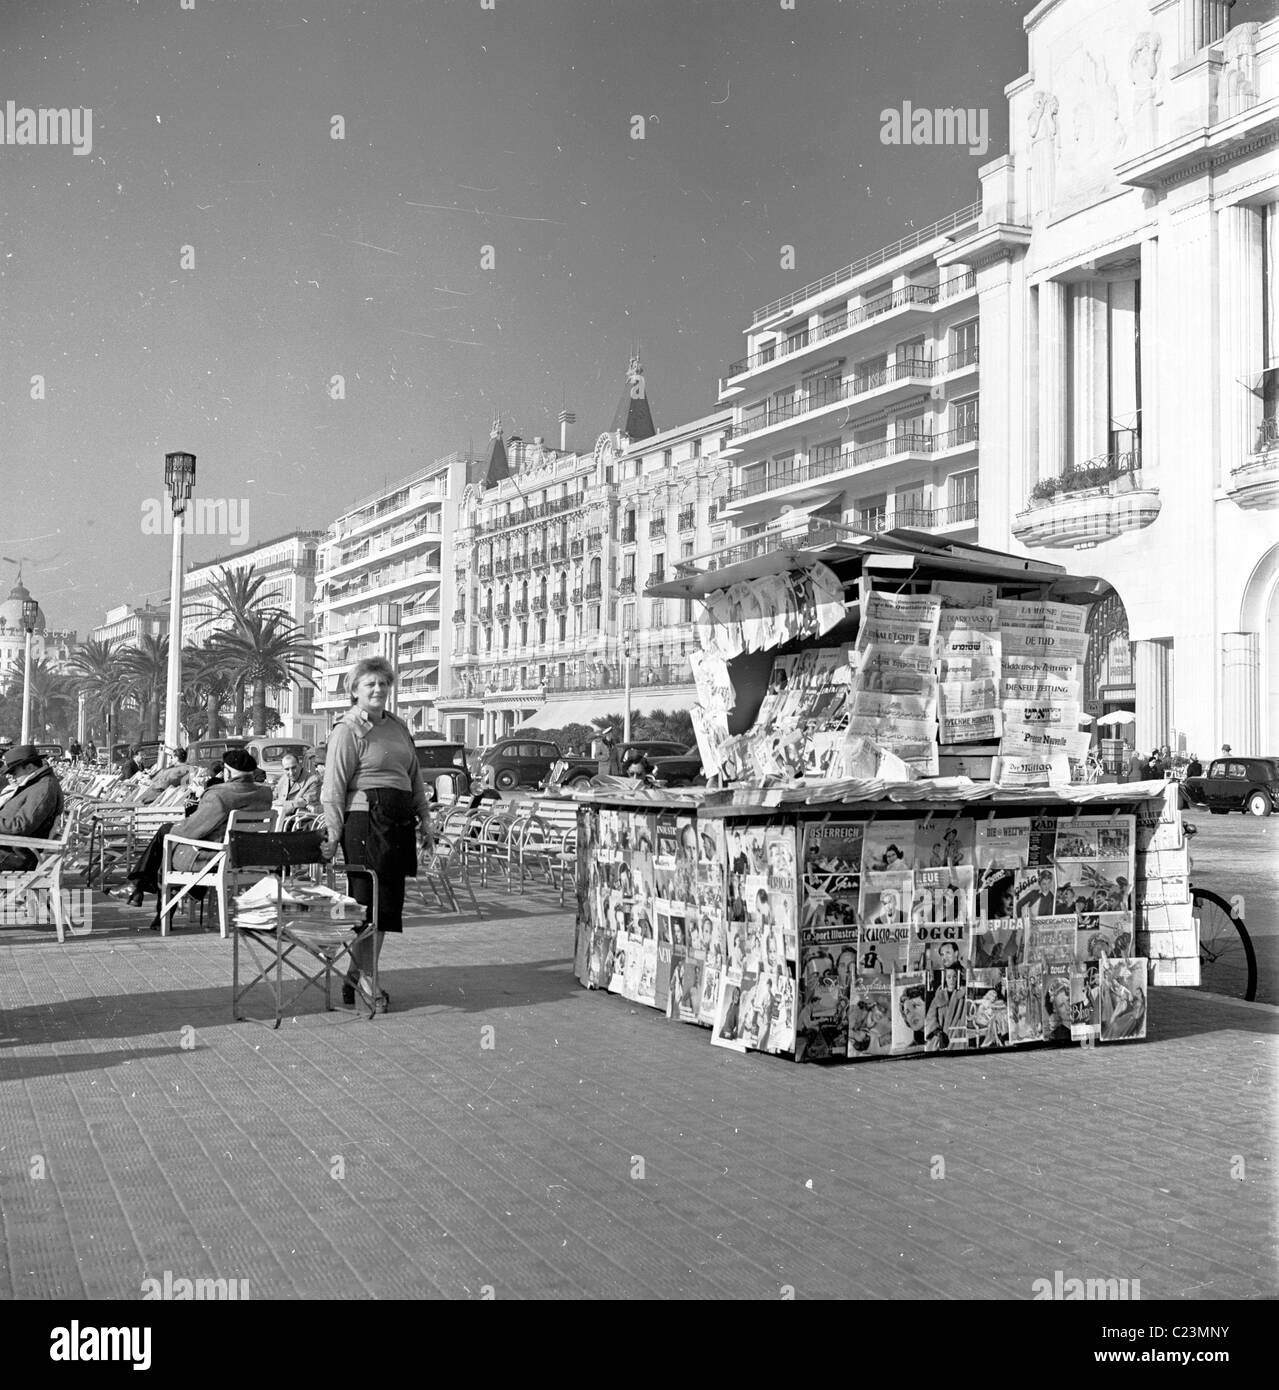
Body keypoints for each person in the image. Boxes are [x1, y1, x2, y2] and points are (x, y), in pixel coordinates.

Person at [321, 656, 432, 1013]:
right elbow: (334, 786)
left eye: (383, 683)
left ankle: (357, 976)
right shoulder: (348, 729)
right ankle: (369, 980)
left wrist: (426, 821)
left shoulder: (398, 727)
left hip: (399, 821)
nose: (378, 689)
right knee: (367, 907)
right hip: (365, 822)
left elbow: (414, 778)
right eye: (370, 684)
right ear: (354, 690)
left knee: (386, 909)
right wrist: (334, 834)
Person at [123, 748, 274, 928]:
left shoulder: (220, 794)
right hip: (244, 857)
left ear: (228, 771)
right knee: (168, 837)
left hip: (212, 860)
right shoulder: (265, 794)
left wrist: (173, 828)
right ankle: (138, 889)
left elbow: (191, 830)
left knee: (166, 839)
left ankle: (147, 897)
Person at [0, 745, 65, 869]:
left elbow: (21, 826)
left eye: (14, 772)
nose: (11, 777)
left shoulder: (43, 788)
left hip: (17, 854)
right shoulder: (38, 784)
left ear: (29, 767)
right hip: (11, 848)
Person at [273, 751, 320, 816]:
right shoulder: (283, 779)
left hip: (299, 821)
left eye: (293, 768)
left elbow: (304, 802)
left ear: (299, 765)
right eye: (287, 769)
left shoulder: (313, 780)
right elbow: (274, 796)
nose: (291, 773)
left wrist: (281, 803)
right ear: (283, 769)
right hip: (280, 818)